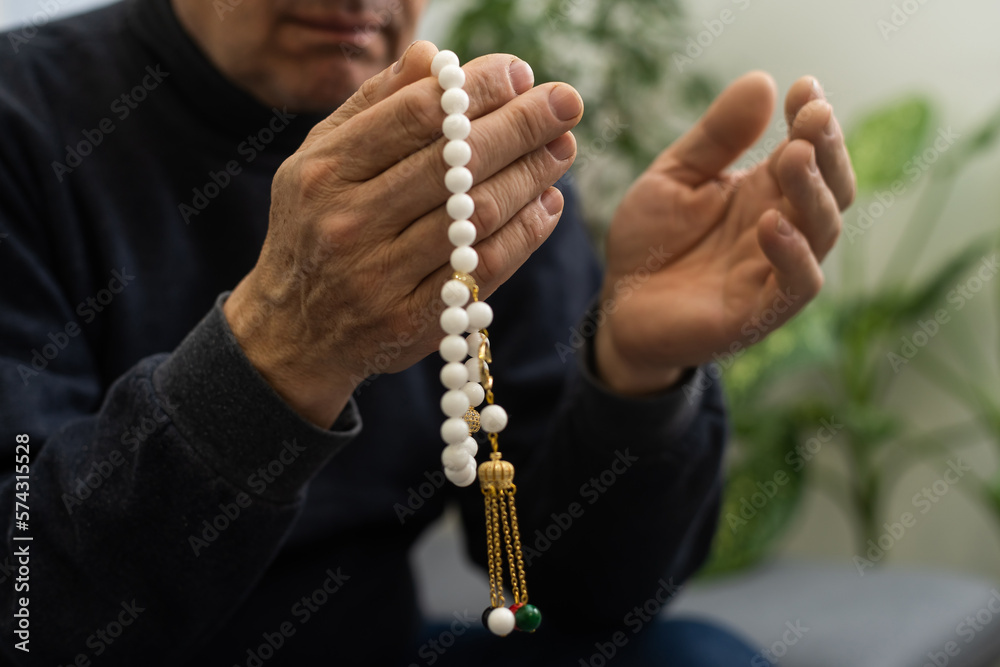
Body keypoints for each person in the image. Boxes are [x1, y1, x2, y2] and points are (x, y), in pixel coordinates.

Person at [0, 0, 854, 664]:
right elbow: (30, 603)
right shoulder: (26, 119)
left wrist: (632, 372)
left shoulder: (462, 144)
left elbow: (583, 591)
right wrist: (284, 346)